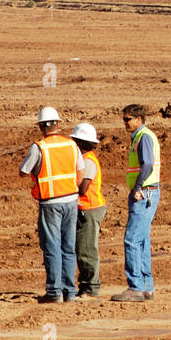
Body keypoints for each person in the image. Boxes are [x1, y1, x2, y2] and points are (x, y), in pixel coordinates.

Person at [19, 106, 83, 303]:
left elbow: (23, 170)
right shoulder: (72, 145)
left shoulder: (39, 147)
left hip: (50, 203)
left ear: (40, 126)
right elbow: (80, 172)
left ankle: (55, 292)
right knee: (68, 246)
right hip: (71, 200)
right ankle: (70, 292)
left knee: (52, 246)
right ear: (58, 124)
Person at [113, 103, 160, 303]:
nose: (124, 123)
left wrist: (138, 187)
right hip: (148, 193)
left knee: (132, 240)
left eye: (127, 119)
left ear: (139, 120)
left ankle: (136, 287)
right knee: (141, 240)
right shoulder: (140, 137)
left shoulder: (144, 137)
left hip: (144, 194)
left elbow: (147, 164)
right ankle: (146, 287)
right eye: (124, 119)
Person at [70, 121, 106, 300]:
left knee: (87, 250)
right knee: (82, 248)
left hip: (90, 209)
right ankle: (86, 287)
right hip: (85, 208)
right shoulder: (83, 160)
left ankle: (91, 289)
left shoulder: (88, 161)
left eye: (76, 141)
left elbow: (82, 188)